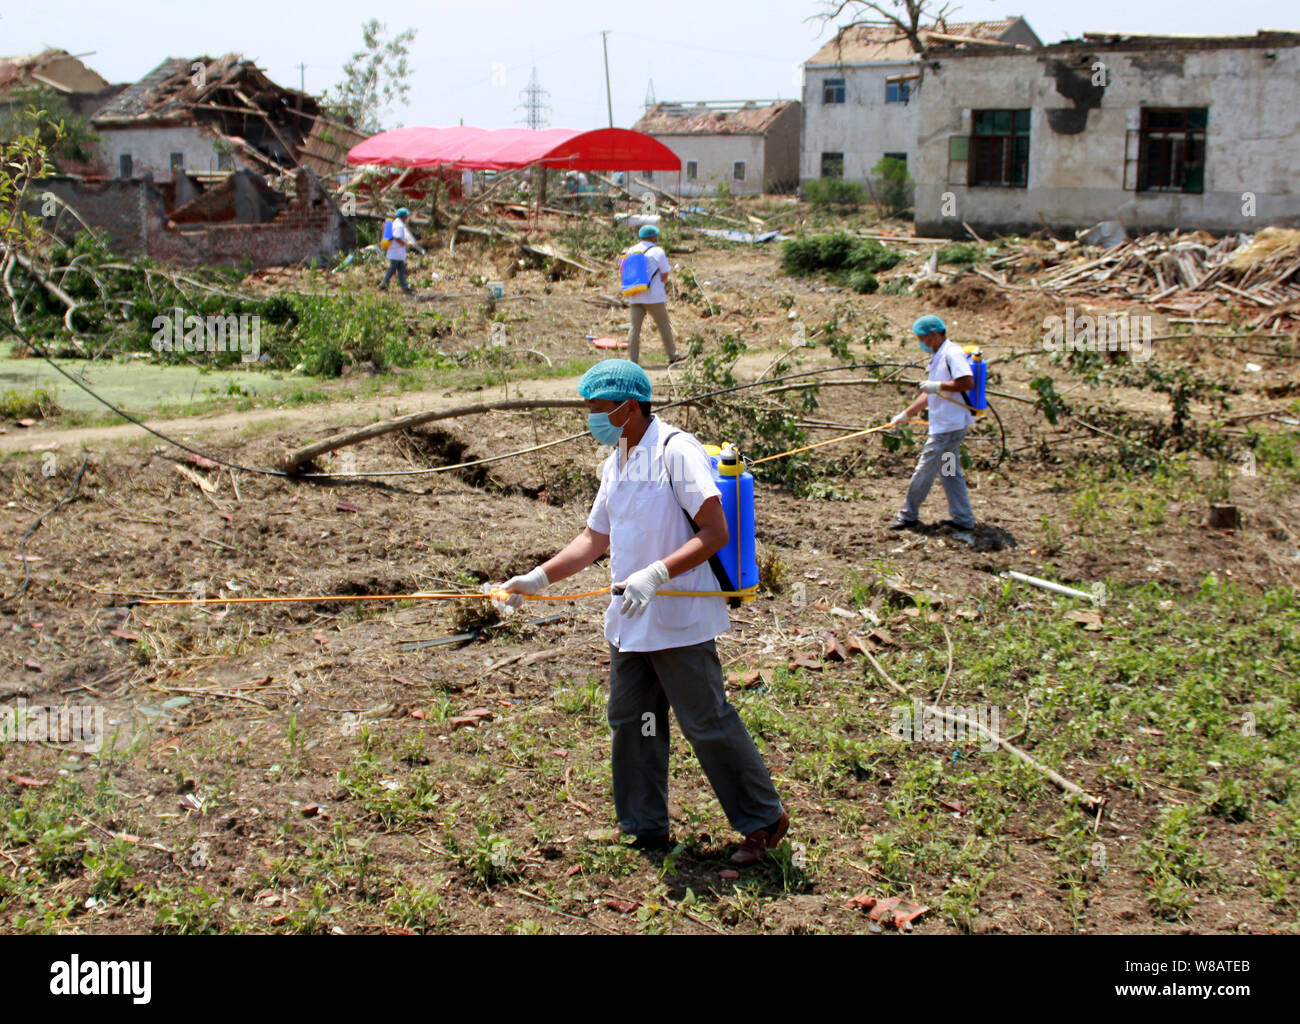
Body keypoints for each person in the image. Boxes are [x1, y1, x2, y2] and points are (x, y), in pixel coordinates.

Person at [494, 359, 788, 865]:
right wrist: (536, 579)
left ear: (630, 407)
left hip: (678, 617)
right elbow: (594, 539)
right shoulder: (618, 459)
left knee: (705, 721)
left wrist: (657, 573)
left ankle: (763, 820)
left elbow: (715, 531)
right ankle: (643, 825)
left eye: (599, 409)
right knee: (637, 720)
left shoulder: (676, 451)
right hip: (630, 619)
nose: (592, 419)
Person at [888, 314, 978, 532]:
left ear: (934, 335)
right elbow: (930, 394)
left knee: (924, 471)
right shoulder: (939, 356)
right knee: (949, 471)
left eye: (922, 338)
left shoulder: (952, 353)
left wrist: (937, 386)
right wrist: (905, 414)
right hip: (947, 427)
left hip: (948, 429)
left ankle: (908, 515)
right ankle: (963, 518)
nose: (921, 343)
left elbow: (967, 382)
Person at [624, 225, 684, 366]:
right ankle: (672, 355)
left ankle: (632, 360)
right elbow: (664, 274)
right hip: (654, 296)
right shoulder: (657, 251)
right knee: (664, 326)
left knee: (634, 329)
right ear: (653, 236)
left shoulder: (631, 250)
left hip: (635, 295)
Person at [380, 207, 422, 294]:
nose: (407, 218)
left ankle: (404, 287)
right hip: (396, 252)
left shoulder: (397, 223)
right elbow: (397, 237)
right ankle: (383, 285)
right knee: (392, 269)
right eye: (407, 216)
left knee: (401, 269)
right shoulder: (399, 225)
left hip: (397, 252)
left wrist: (405, 243)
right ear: (403, 216)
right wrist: (405, 243)